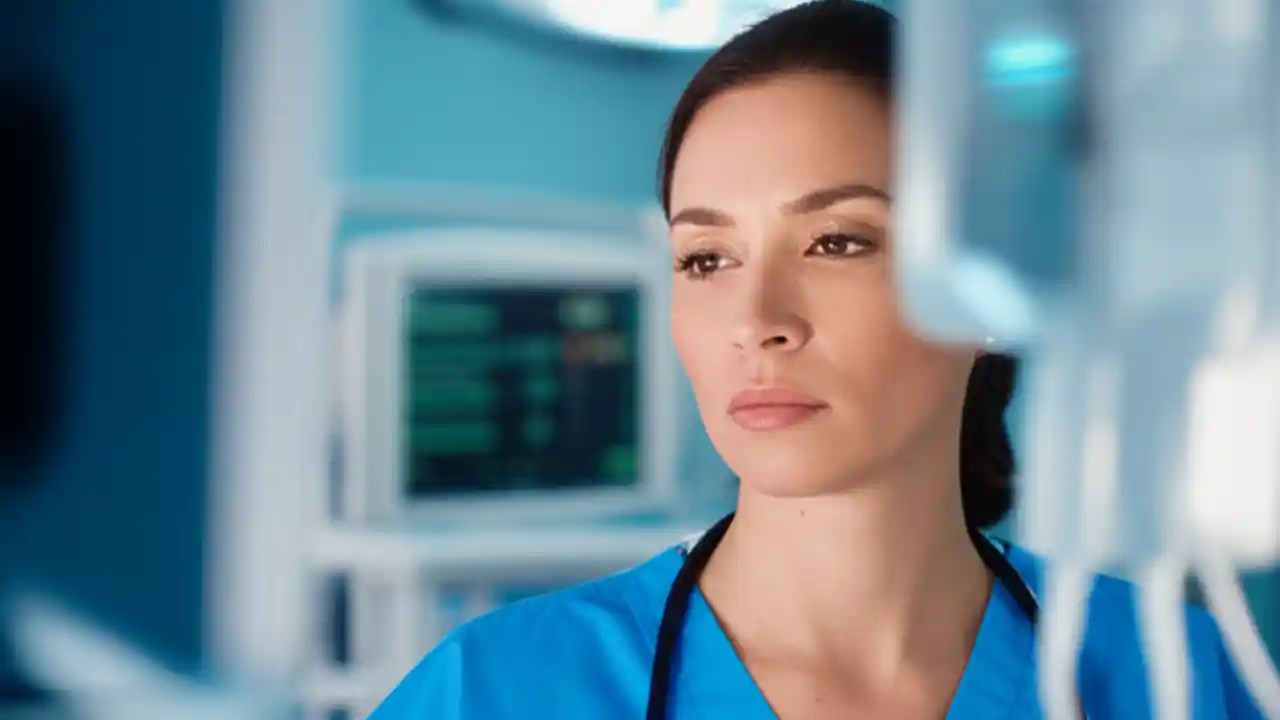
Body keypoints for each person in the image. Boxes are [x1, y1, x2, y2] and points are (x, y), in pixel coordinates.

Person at [369, 2, 1262, 717]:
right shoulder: (494, 691)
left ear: (983, 279)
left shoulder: (1167, 676)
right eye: (706, 260)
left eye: (837, 242)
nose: (757, 320)